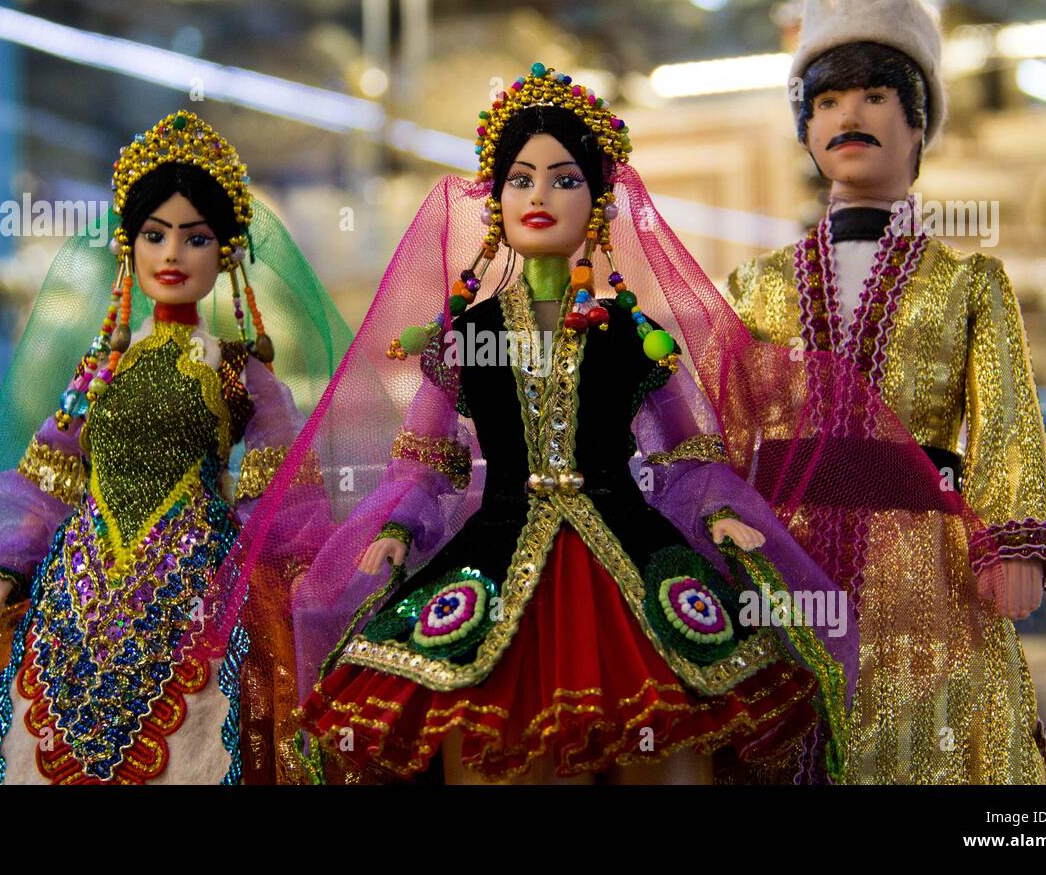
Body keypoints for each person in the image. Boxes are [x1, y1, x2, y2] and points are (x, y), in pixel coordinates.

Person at [261, 63, 859, 785]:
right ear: (497, 201)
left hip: (630, 554)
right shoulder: (464, 334)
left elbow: (688, 454)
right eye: (521, 179)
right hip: (496, 549)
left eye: (565, 179)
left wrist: (721, 511)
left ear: (599, 204)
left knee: (669, 741)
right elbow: (423, 461)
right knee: (489, 739)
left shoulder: (628, 333)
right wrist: (397, 528)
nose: (540, 195)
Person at [0, 111, 349, 784]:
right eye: (155, 235)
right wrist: (8, 565)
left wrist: (274, 582)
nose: (173, 255)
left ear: (227, 252)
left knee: (200, 739)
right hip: (76, 592)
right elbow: (47, 478)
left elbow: (284, 490)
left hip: (197, 594)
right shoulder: (102, 369)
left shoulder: (239, 371)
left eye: (196, 238)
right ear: (129, 247)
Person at [728, 0, 1046, 783]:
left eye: (878, 96)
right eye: (830, 99)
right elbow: (722, 425)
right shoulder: (754, 286)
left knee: (927, 747)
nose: (853, 114)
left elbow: (1009, 420)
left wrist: (1011, 539)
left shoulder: (970, 284)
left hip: (927, 575)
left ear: (919, 126)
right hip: (781, 568)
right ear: (806, 130)